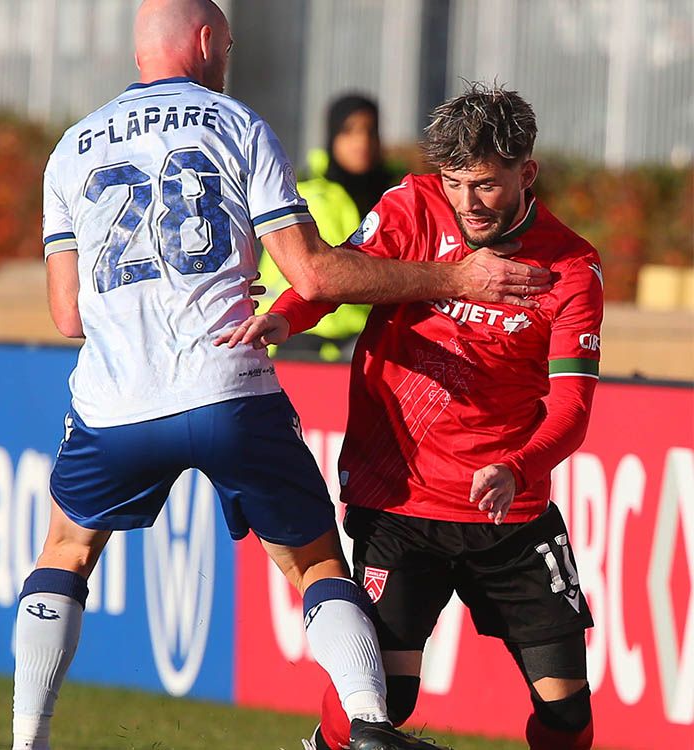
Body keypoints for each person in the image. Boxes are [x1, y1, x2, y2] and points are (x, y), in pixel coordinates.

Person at [15, 2, 551, 746]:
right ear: (206, 42)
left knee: (66, 552)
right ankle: (367, 724)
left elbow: (68, 315)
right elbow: (315, 273)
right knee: (313, 561)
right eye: (227, 44)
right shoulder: (235, 123)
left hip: (116, 401)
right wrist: (455, 280)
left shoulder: (71, 149)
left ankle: (26, 740)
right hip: (228, 381)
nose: (227, 57)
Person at [222, 83, 602, 750]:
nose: (466, 201)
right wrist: (288, 314)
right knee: (382, 701)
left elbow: (572, 408)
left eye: (484, 184)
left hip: (509, 513)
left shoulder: (572, 268)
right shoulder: (412, 205)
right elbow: (339, 272)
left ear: (526, 173)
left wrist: (517, 467)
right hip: (401, 502)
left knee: (569, 718)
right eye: (453, 181)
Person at [258, 94, 398, 362]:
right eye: (349, 131)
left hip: (360, 340)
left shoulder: (397, 192)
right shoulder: (310, 195)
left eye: (370, 131)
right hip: (302, 338)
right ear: (332, 135)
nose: (362, 142)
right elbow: (338, 272)